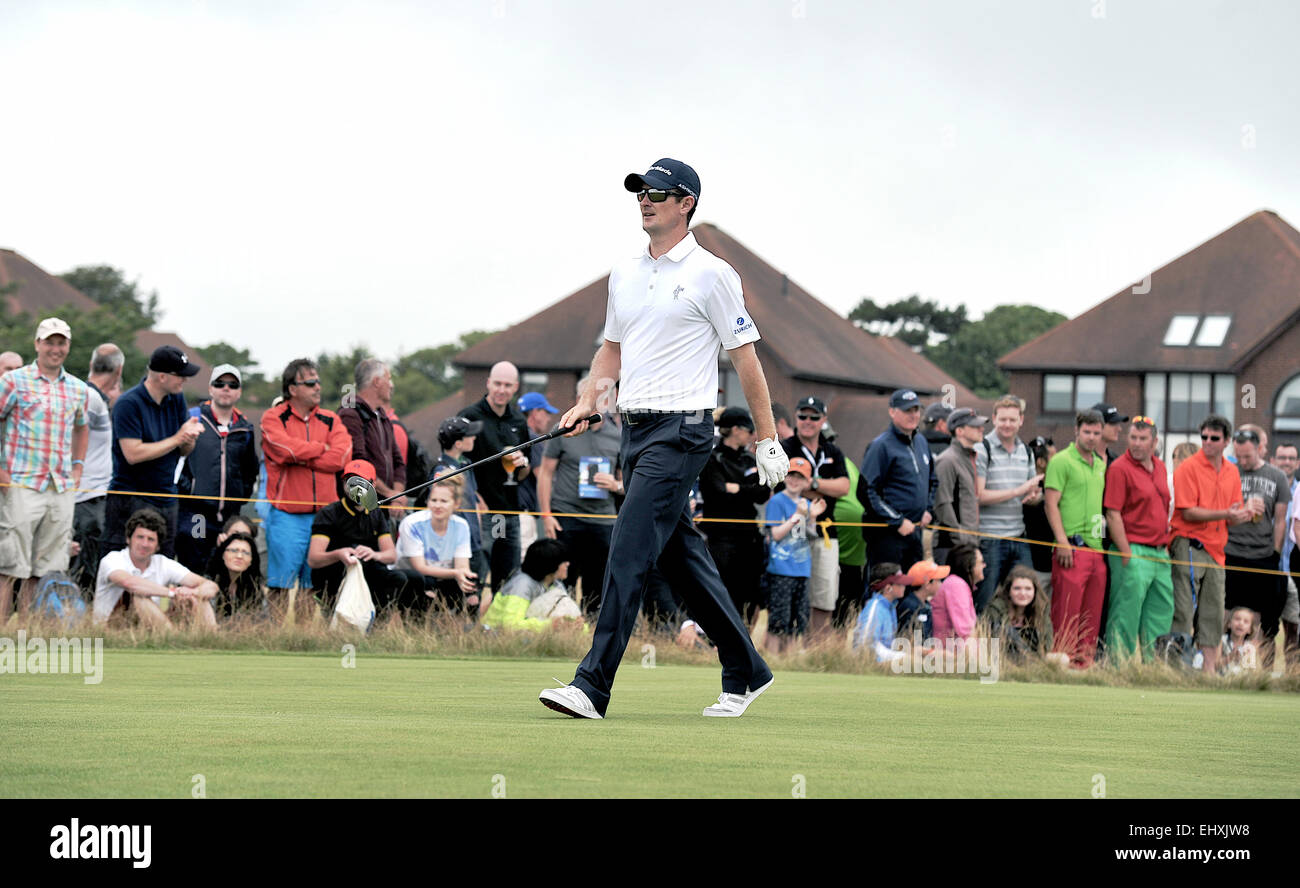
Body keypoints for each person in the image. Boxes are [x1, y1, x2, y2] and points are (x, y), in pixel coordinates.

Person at [539, 157, 784, 720]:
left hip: (684, 430)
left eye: (657, 193)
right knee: (681, 558)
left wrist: (767, 439)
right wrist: (588, 401)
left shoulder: (713, 274)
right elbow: (613, 350)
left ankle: (592, 685)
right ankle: (747, 670)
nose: (644, 200)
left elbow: (746, 360)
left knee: (628, 550)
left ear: (686, 204)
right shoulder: (624, 272)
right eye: (640, 192)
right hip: (636, 429)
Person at [0, 318, 89, 619]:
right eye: (49, 342)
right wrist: (1, 473)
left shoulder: (78, 389)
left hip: (60, 486)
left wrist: (77, 467)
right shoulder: (13, 381)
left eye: (61, 342)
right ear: (37, 344)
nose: (55, 348)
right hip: (21, 482)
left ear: (67, 346)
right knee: (10, 567)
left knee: (46, 569)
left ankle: (29, 636)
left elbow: (81, 428)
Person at [261, 358, 353, 620]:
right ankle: (275, 639)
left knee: (311, 585)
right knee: (281, 583)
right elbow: (281, 449)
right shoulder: (273, 417)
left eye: (318, 382)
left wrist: (300, 457)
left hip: (325, 517)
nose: (318, 387)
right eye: (311, 382)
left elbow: (342, 457)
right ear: (292, 389)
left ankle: (302, 639)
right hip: (286, 515)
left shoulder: (331, 419)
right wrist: (319, 449)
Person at [104, 345, 204, 558]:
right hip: (130, 498)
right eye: (180, 375)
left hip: (166, 496)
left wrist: (189, 438)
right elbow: (133, 454)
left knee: (162, 564)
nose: (184, 380)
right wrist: (177, 438)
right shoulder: (128, 404)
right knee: (124, 564)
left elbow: (184, 450)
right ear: (161, 377)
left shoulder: (176, 398)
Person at [1169, 415, 1250, 674]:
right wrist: (1227, 514)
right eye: (1204, 437)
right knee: (1183, 608)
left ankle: (1209, 672)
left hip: (1217, 550)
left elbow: (1232, 513)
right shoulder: (1188, 468)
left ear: (1226, 441)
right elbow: (1188, 511)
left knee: (1214, 613)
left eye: (1214, 438)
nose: (1207, 442)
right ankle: (1176, 670)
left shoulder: (1232, 471)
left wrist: (1243, 515)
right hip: (1189, 545)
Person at [539, 382, 622, 618]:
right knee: (563, 579)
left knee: (596, 585)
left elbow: (628, 482)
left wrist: (615, 485)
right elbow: (545, 474)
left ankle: (591, 637)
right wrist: (546, 515)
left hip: (603, 519)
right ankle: (561, 631)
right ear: (579, 398)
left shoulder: (617, 436)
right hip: (567, 516)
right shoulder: (563, 429)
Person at [175, 364, 259, 575]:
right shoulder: (192, 417)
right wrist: (188, 490)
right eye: (220, 384)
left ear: (239, 391)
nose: (226, 388)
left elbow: (250, 470)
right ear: (211, 388)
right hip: (197, 513)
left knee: (226, 569)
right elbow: (177, 460)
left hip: (229, 516)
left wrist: (240, 497)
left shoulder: (245, 428)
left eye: (232, 385)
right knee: (193, 564)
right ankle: (186, 608)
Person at [1102, 417, 1173, 663]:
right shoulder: (1119, 468)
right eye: (1133, 437)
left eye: (1143, 439)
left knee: (1160, 613)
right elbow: (1112, 513)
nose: (1137, 443)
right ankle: (1119, 668)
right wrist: (1126, 554)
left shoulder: (1161, 467)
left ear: (1154, 442)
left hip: (1160, 552)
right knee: (1125, 614)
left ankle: (1154, 668)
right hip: (1132, 549)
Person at [781, 394, 849, 641]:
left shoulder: (832, 451)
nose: (808, 421)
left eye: (814, 417)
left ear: (823, 420)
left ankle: (816, 653)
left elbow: (844, 487)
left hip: (825, 534)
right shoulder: (785, 447)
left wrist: (812, 483)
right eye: (802, 416)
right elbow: (784, 485)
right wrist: (811, 488)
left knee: (823, 596)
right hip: (790, 535)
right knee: (788, 596)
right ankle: (788, 655)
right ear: (796, 417)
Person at [1044, 409, 1108, 669]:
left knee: (1092, 613)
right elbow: (1051, 504)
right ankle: (1062, 663)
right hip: (1072, 546)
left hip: (1096, 548)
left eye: (1096, 433)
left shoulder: (1101, 463)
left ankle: (1084, 665)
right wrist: (1062, 542)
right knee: (1067, 612)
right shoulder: (1061, 460)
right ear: (1076, 431)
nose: (1091, 437)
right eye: (1087, 432)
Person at [459, 362, 529, 593]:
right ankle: (468, 624)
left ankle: (502, 626)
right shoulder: (469, 416)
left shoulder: (519, 421)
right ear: (488, 383)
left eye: (507, 385)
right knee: (476, 571)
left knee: (509, 575)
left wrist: (523, 463)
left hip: (509, 510)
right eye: (497, 383)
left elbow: (524, 472)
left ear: (515, 387)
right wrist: (472, 496)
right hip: (481, 511)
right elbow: (457, 464)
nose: (502, 389)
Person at [1223, 426, 1290, 669]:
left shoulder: (1276, 476)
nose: (1243, 461)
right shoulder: (1228, 472)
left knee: (1263, 619)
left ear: (1259, 449)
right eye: (1239, 456)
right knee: (1227, 613)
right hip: (1231, 551)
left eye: (1247, 456)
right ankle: (1222, 666)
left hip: (1263, 555)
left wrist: (1275, 552)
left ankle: (1263, 671)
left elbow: (1280, 519)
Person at [307, 459, 408, 614]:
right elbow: (314, 559)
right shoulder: (328, 514)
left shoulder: (376, 514)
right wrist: (340, 554)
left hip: (369, 571)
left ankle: (376, 621)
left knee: (399, 578)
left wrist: (374, 554)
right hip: (335, 574)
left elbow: (391, 555)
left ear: (373, 485)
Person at [93, 507, 219, 630]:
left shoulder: (162, 563)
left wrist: (192, 593)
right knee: (139, 595)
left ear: (158, 546)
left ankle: (212, 639)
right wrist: (172, 593)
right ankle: (170, 639)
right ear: (128, 539)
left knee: (199, 597)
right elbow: (130, 583)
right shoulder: (113, 559)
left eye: (151, 539)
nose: (144, 544)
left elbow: (211, 586)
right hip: (112, 629)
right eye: (140, 537)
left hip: (150, 627)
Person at [699, 406, 769, 627]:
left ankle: (744, 641)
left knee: (750, 594)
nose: (752, 436)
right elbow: (717, 491)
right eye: (749, 431)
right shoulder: (712, 459)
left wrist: (736, 488)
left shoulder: (750, 460)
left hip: (749, 538)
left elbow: (763, 493)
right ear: (737, 430)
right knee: (722, 591)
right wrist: (746, 488)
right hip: (722, 539)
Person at [975, 394, 1042, 613]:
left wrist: (1034, 497)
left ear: (1021, 420)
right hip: (990, 538)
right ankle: (982, 644)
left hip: (1018, 536)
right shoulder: (982, 449)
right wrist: (1018, 491)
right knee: (985, 599)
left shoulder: (1027, 452)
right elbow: (979, 495)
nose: (1007, 424)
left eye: (1012, 420)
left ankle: (1020, 645)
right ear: (994, 418)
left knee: (1028, 600)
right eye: (1003, 419)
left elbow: (1033, 493)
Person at [862, 389, 936, 573]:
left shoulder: (921, 442)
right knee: (886, 588)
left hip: (915, 532)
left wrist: (928, 509)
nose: (913, 415)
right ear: (892, 412)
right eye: (907, 411)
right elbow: (866, 491)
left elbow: (933, 481)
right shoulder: (881, 446)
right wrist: (897, 521)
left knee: (913, 588)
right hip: (887, 535)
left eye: (916, 410)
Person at [69, 343, 124, 589]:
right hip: (85, 499)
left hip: (89, 498)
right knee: (81, 571)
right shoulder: (88, 397)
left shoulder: (90, 396)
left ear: (91, 365)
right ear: (119, 371)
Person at [395, 472, 479, 614]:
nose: (437, 505)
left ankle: (462, 629)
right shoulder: (412, 523)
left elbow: (462, 567)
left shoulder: (462, 525)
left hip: (444, 575)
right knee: (425, 584)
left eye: (444, 501)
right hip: (413, 577)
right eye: (433, 500)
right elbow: (420, 568)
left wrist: (467, 579)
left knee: (472, 586)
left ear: (456, 504)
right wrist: (456, 573)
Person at [763, 458, 823, 654]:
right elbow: (776, 535)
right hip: (781, 569)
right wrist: (797, 516)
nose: (795, 481)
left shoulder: (806, 503)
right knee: (778, 620)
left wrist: (811, 517)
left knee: (797, 621)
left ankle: (789, 659)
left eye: (800, 477)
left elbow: (810, 536)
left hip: (802, 569)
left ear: (807, 482)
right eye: (791, 475)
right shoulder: (777, 501)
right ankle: (772, 657)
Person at [339, 359, 406, 513]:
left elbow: (398, 462)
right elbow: (358, 462)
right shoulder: (350, 414)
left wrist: (396, 496)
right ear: (376, 381)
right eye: (388, 379)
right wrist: (390, 494)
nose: (391, 385)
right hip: (362, 508)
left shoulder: (382, 415)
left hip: (386, 506)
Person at [481, 538, 581, 632]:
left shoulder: (556, 584)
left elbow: (565, 622)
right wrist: (549, 625)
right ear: (551, 564)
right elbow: (510, 626)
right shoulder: (521, 585)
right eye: (563, 561)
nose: (568, 564)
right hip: (495, 635)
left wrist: (578, 626)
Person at [434, 416, 487, 584]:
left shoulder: (465, 465)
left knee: (474, 594)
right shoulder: (442, 472)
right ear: (458, 444)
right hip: (456, 547)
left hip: (474, 542)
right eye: (470, 435)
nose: (474, 438)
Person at [932, 407, 987, 565]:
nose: (981, 429)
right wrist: (961, 537)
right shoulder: (947, 460)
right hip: (950, 547)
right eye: (975, 426)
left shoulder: (968, 458)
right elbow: (942, 504)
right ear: (960, 431)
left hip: (967, 545)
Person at [516, 391, 559, 553]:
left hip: (506, 513)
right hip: (523, 515)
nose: (548, 418)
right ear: (535, 413)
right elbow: (542, 477)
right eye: (546, 412)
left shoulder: (514, 434)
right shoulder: (534, 439)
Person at [984, 565, 1055, 662]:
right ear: (1009, 591)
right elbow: (993, 643)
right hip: (1003, 658)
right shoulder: (996, 608)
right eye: (1017, 588)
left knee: (1063, 659)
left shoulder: (1041, 609)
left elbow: (1047, 644)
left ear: (1035, 591)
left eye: (1028, 589)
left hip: (1035, 659)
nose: (1023, 593)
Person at [853, 563, 913, 661]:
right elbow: (865, 645)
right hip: (872, 665)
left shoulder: (890, 606)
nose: (904, 586)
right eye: (900, 583)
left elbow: (887, 643)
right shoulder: (874, 608)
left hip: (885, 659)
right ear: (888, 588)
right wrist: (901, 657)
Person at [931, 543, 984, 645]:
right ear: (969, 566)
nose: (984, 565)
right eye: (981, 562)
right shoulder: (956, 585)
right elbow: (965, 631)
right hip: (949, 656)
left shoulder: (959, 584)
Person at [204, 531, 263, 619]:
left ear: (251, 560)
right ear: (223, 554)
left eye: (246, 553)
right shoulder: (208, 582)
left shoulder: (255, 587)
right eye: (234, 550)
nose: (239, 556)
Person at [897, 558, 948, 641]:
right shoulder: (909, 607)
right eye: (938, 580)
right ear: (927, 584)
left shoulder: (925, 604)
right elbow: (909, 643)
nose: (941, 584)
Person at [1220, 606, 1260, 674]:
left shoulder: (1249, 647)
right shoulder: (1221, 641)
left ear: (1250, 630)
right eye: (1237, 619)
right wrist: (1231, 657)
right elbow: (1215, 664)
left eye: (1246, 622)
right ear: (1229, 624)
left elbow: (1249, 670)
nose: (1241, 623)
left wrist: (1244, 659)